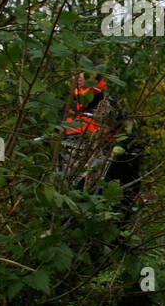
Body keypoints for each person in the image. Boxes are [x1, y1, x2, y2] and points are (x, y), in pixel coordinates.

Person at [60, 71, 142, 209]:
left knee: (91, 199)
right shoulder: (69, 103)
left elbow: (129, 130)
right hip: (68, 161)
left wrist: (121, 145)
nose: (79, 77)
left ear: (96, 75)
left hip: (99, 161)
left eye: (84, 73)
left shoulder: (107, 102)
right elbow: (58, 130)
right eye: (75, 74)